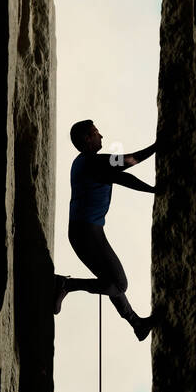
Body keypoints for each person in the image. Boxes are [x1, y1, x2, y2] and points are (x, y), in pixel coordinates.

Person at [53, 119, 156, 341]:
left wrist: (154, 188)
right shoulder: (91, 164)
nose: (102, 136)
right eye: (96, 133)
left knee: (110, 282)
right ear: (87, 139)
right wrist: (157, 150)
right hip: (85, 233)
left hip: (87, 232)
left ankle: (136, 323)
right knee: (119, 284)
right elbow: (129, 165)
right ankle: (66, 284)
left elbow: (125, 170)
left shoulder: (91, 162)